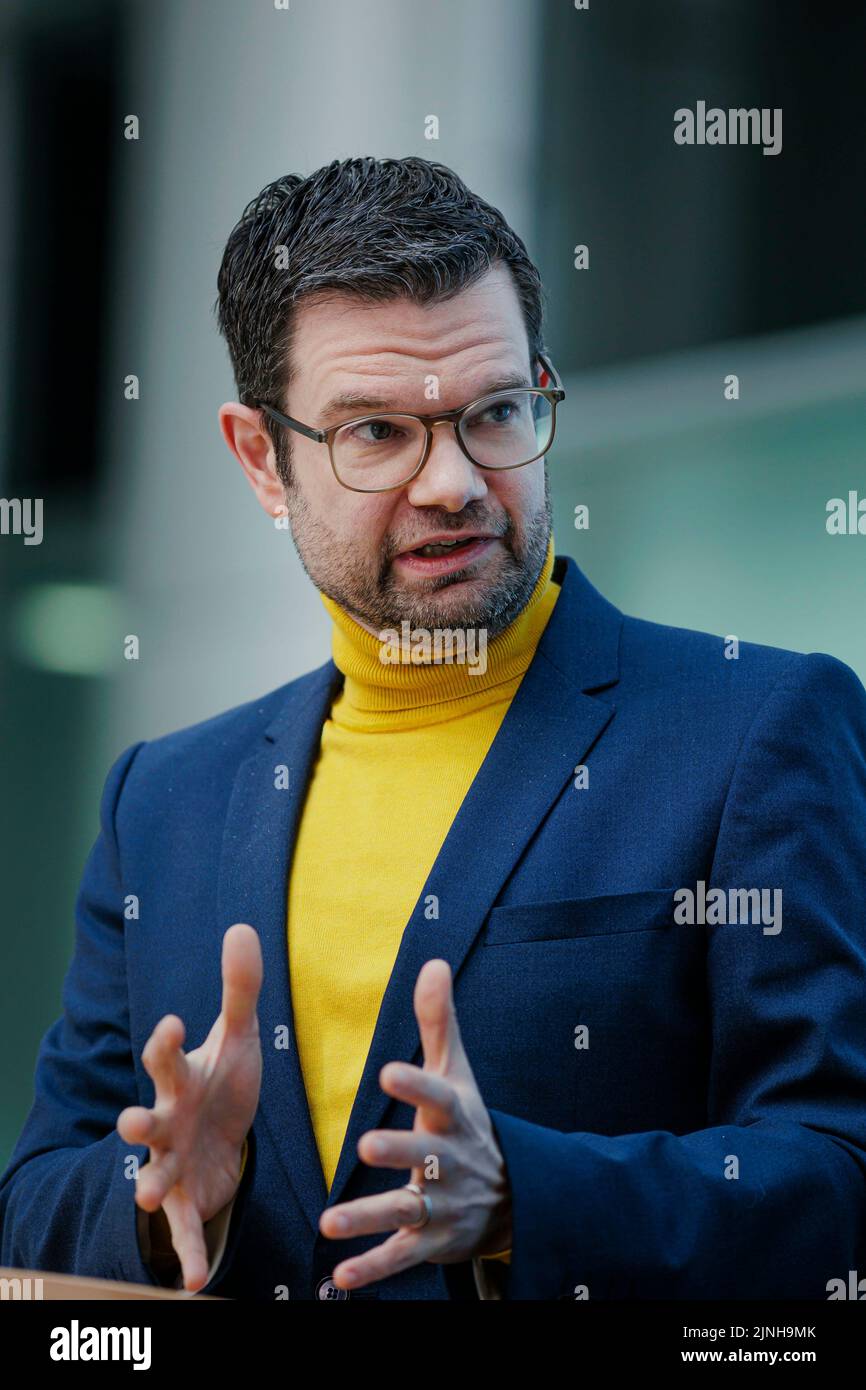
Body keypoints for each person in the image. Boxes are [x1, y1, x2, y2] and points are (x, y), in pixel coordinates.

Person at [3, 156, 866, 1302]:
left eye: (496, 412)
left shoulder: (755, 728)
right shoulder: (161, 799)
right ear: (262, 458)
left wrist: (525, 1199)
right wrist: (159, 1198)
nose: (455, 481)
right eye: (375, 433)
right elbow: (35, 1201)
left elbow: (836, 1175)